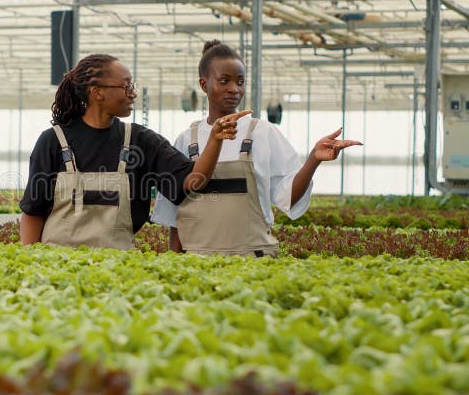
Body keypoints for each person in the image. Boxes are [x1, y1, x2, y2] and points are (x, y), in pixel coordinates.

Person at [19, 53, 251, 250]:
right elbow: (33, 212)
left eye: (133, 86)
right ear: (97, 92)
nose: (133, 93)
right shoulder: (54, 141)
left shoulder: (141, 141)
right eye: (126, 86)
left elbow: (192, 182)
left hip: (116, 271)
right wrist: (30, 266)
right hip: (57, 271)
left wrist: (214, 140)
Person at [152, 40, 362, 257]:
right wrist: (174, 264)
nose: (234, 89)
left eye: (240, 82)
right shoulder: (187, 141)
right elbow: (173, 215)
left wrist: (313, 160)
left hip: (253, 260)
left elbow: (287, 198)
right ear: (204, 85)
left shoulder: (262, 133)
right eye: (224, 81)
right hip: (196, 262)